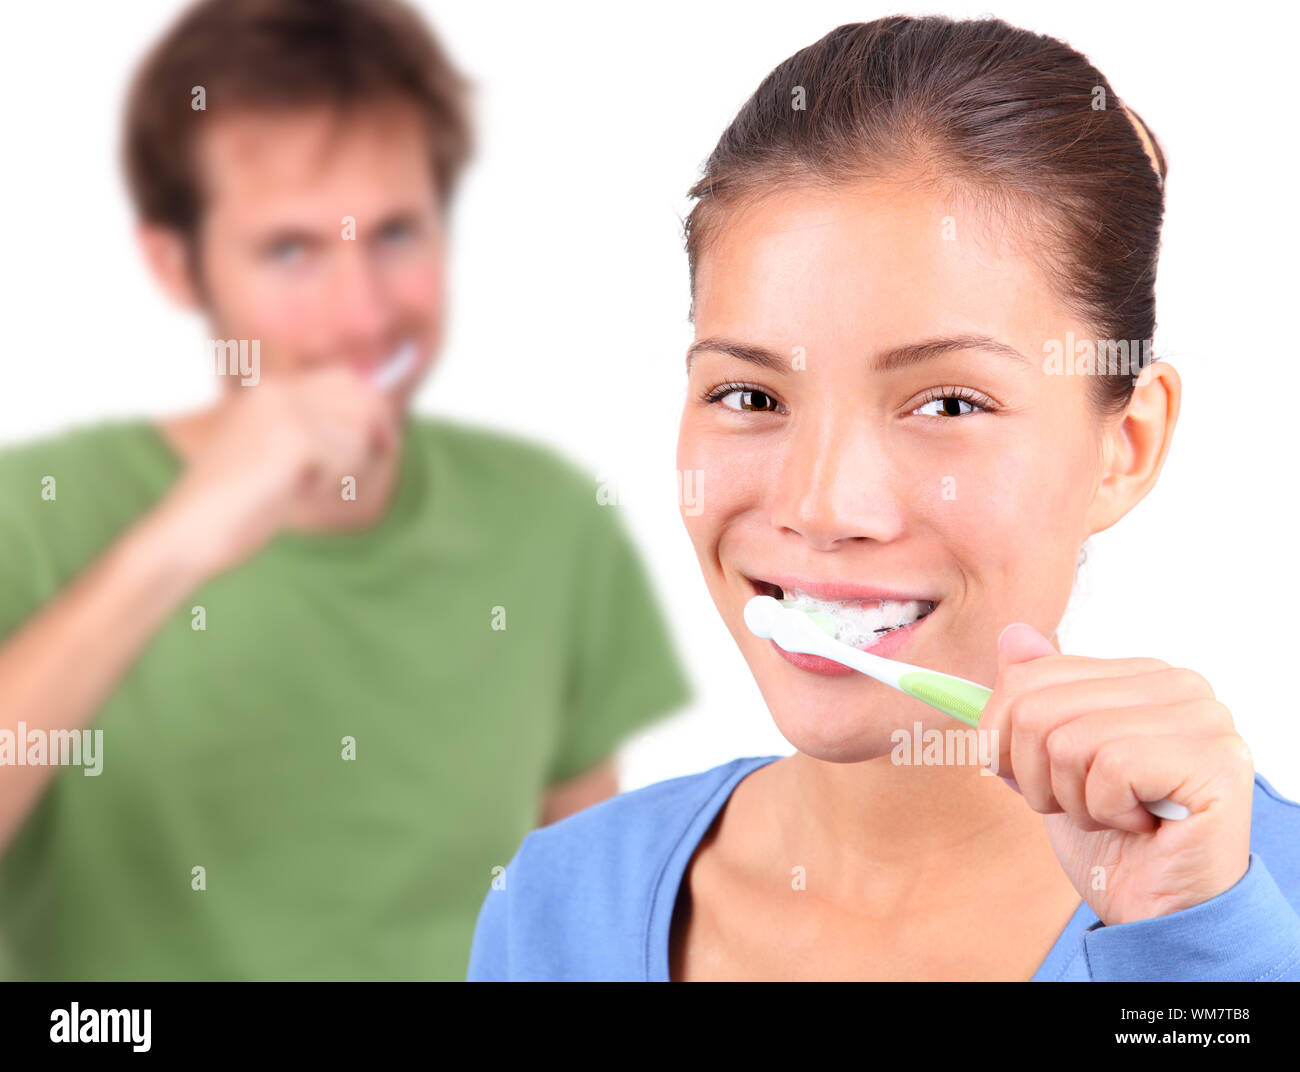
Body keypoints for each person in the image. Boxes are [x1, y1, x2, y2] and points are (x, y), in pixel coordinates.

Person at [466, 15, 1300, 981]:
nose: (822, 506)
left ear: (1126, 445)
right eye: (751, 395)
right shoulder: (556, 904)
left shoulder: (1249, 912)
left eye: (948, 401)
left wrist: (1191, 951)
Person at [0, 0, 690, 981]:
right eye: (291, 250)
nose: (363, 312)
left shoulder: (550, 522)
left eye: (397, 233)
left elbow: (571, 926)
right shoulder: (32, 510)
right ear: (173, 262)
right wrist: (176, 542)